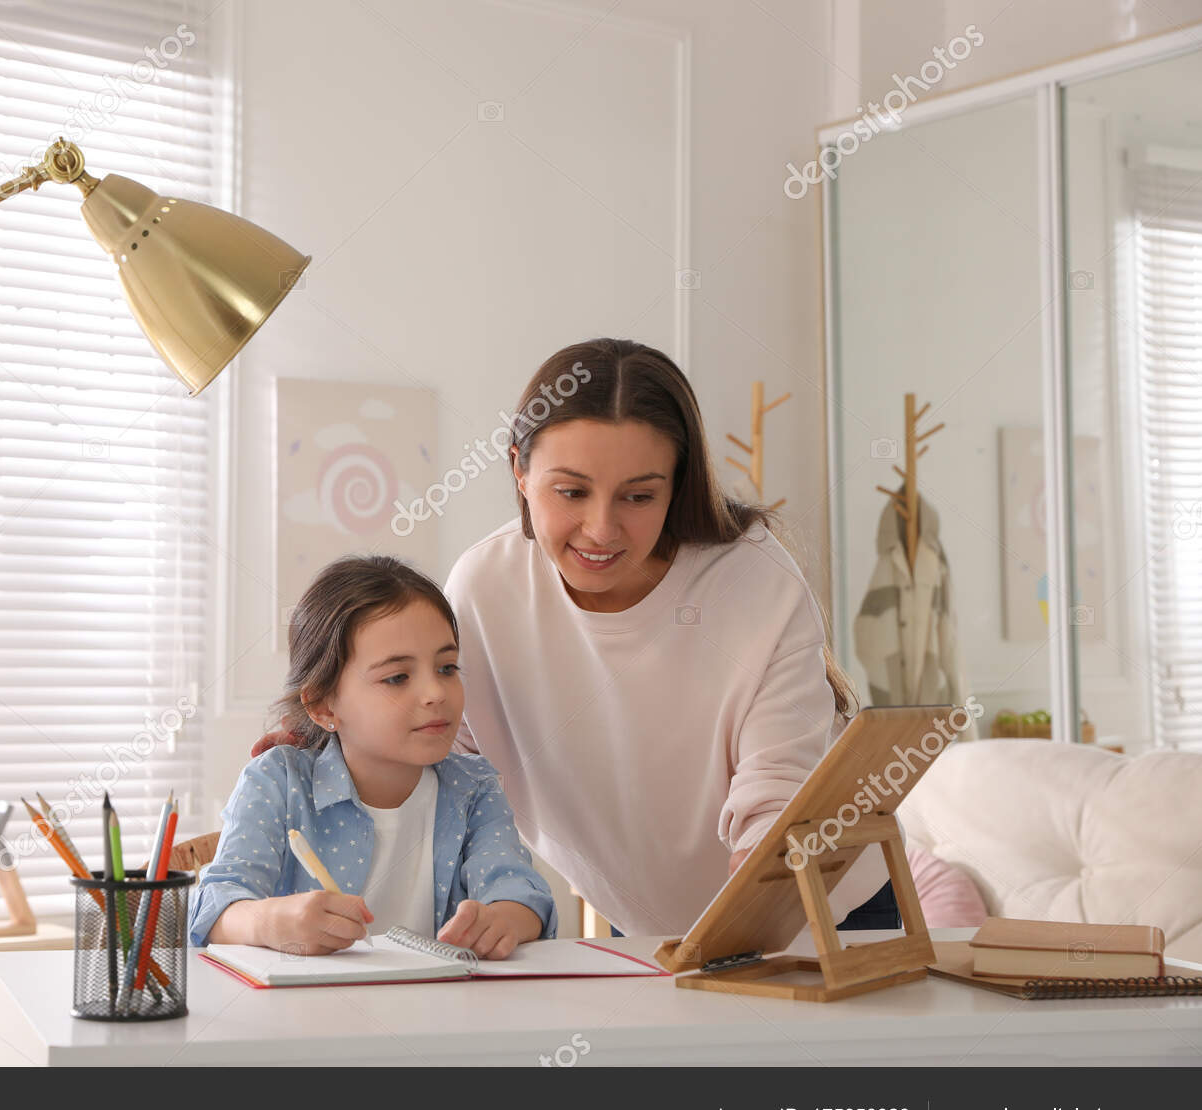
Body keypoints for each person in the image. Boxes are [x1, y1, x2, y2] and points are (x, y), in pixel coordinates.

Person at [255, 338, 892, 936]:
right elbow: (450, 754)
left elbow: (778, 791)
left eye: (639, 496)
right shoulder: (486, 587)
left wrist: (748, 924)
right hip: (645, 923)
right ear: (520, 472)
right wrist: (328, 744)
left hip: (818, 911)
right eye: (571, 492)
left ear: (677, 484)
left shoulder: (753, 578)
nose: (601, 529)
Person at [190, 554, 557, 958]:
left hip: (443, 1012)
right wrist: (270, 921)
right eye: (397, 677)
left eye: (448, 668)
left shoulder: (474, 788)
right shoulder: (278, 781)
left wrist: (504, 919)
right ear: (324, 707)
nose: (435, 692)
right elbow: (214, 908)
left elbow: (520, 892)